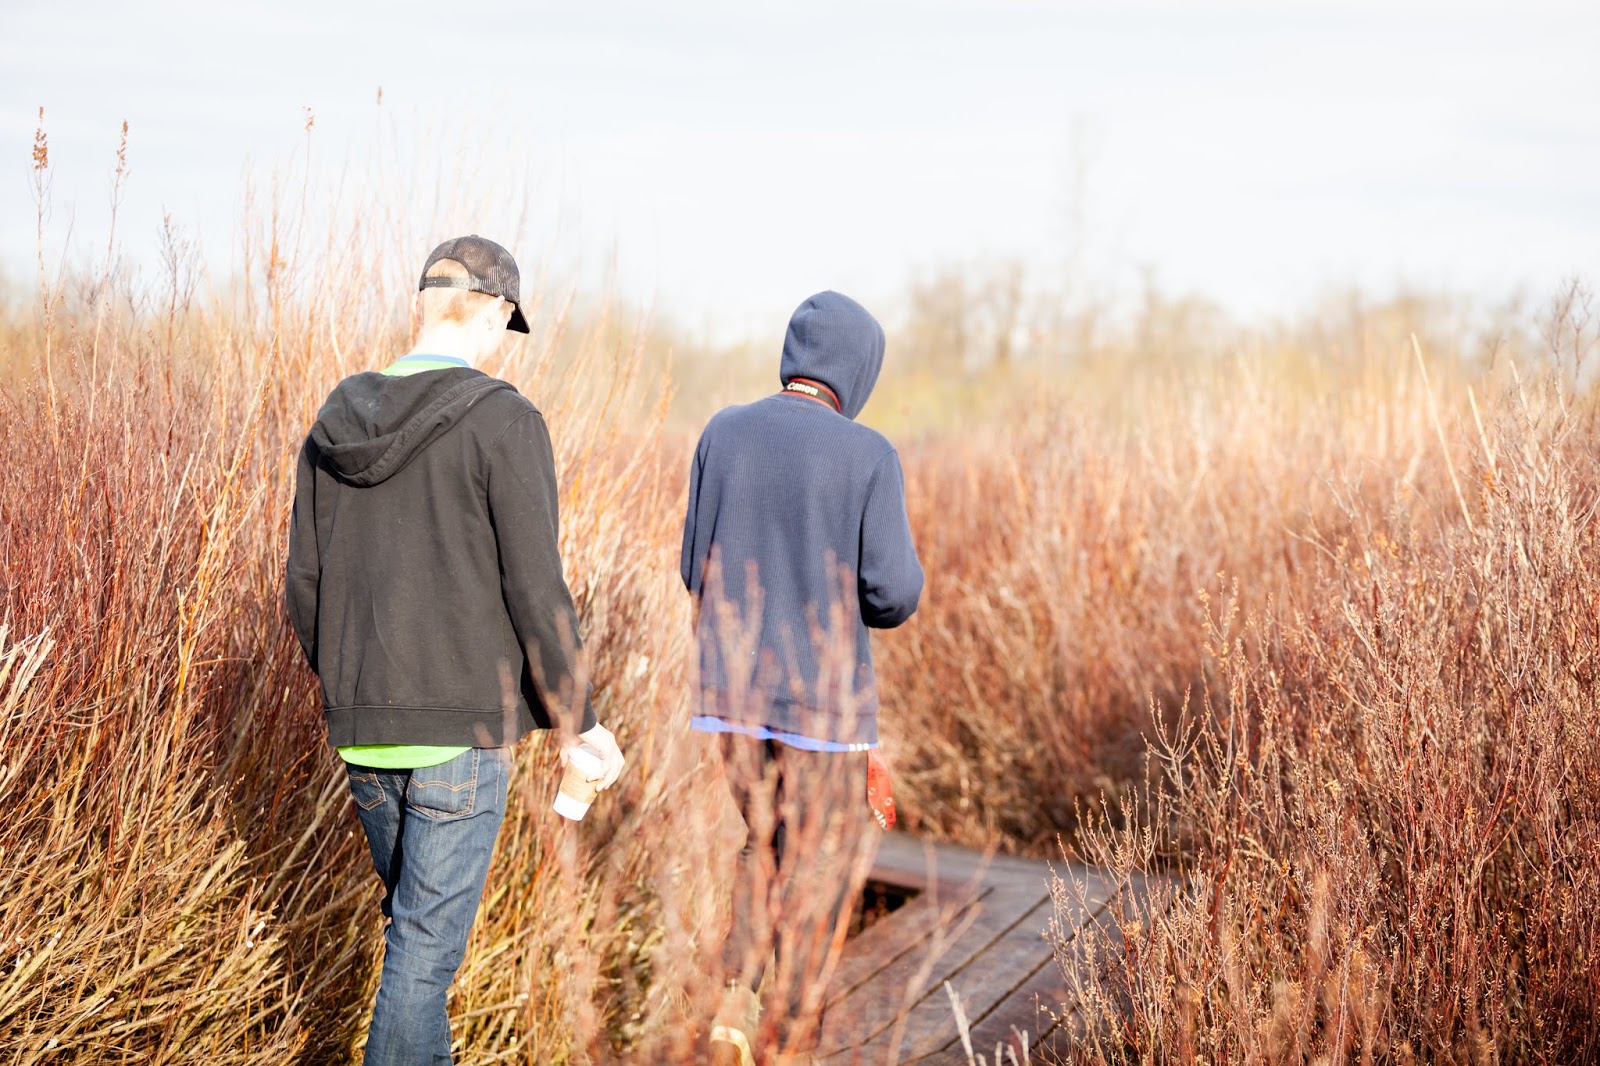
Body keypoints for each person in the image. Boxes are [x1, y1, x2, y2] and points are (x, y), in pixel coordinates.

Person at [285, 235, 625, 1065]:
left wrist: (351, 686)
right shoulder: (504, 420)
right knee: (418, 969)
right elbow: (537, 589)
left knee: (415, 950)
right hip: (459, 746)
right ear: (500, 314)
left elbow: (304, 584)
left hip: (363, 735)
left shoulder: (336, 419)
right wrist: (578, 722)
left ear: (422, 305)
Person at [680, 290, 924, 1064]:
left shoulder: (723, 432)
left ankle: (735, 998)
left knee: (763, 841)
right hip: (822, 706)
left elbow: (694, 567)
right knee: (812, 861)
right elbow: (894, 592)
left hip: (731, 699)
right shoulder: (868, 454)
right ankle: (789, 1025)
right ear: (858, 370)